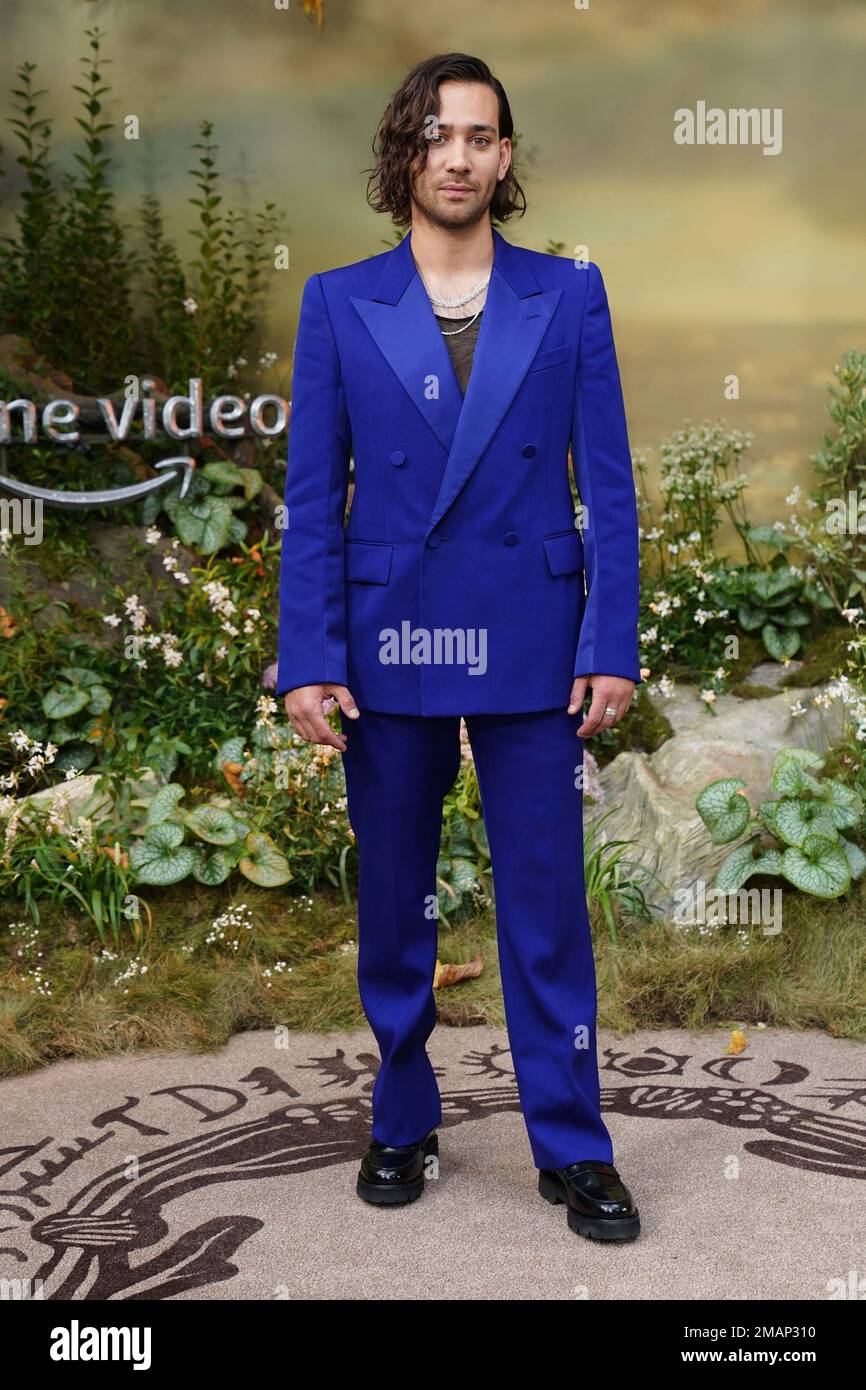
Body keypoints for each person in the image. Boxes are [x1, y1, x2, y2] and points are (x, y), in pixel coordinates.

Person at [277, 52, 642, 1241]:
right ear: (404, 150)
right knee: (394, 903)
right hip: (387, 646)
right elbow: (309, 496)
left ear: (504, 158)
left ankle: (572, 1146)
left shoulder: (567, 293)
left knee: (545, 906)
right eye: (436, 133)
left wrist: (610, 640)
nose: (457, 155)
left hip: (535, 640)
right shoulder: (337, 302)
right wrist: (307, 655)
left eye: (480, 136)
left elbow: (610, 487)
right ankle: (399, 1117)